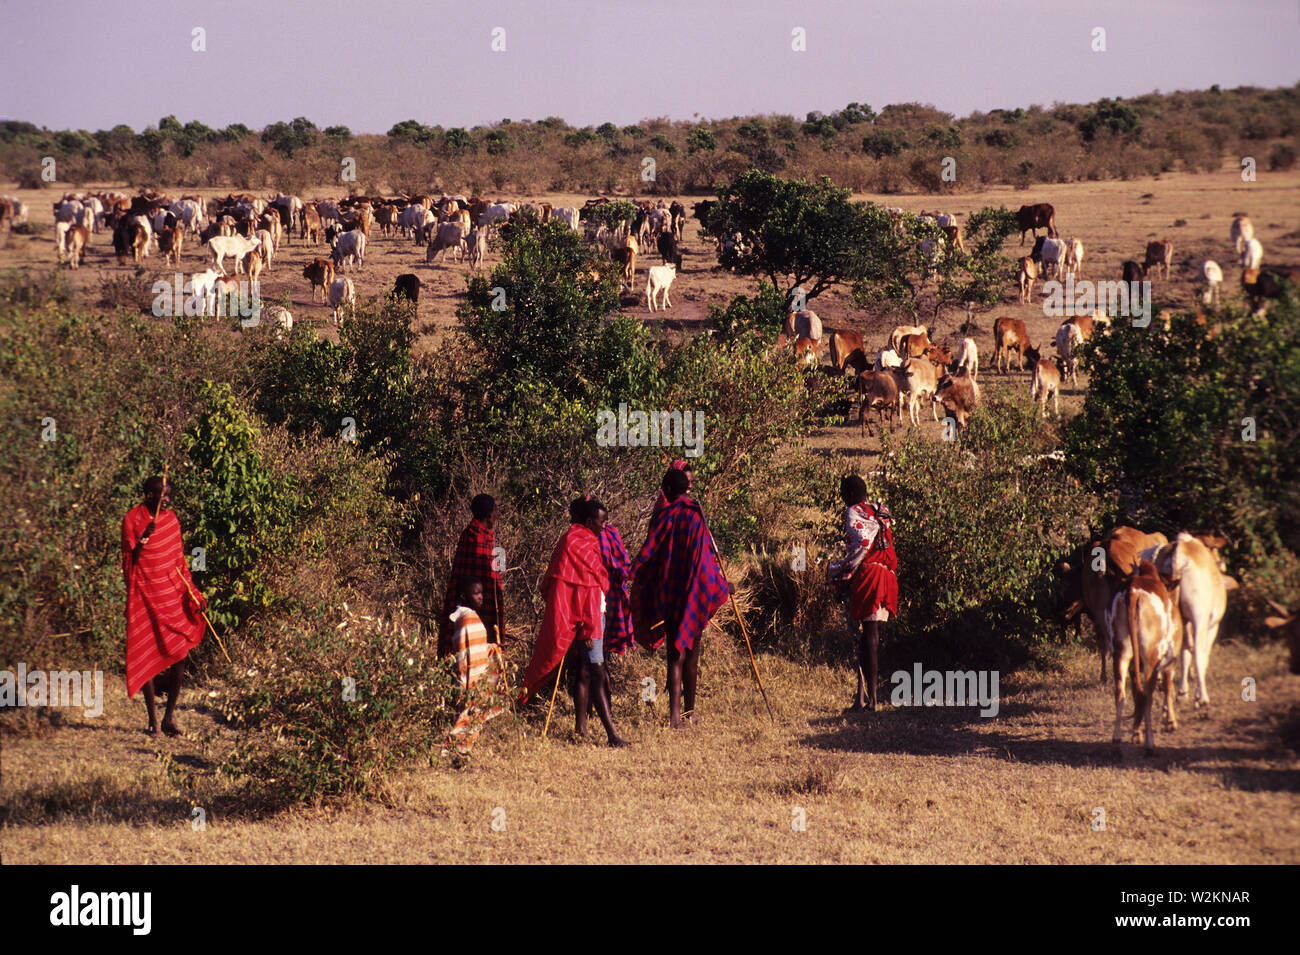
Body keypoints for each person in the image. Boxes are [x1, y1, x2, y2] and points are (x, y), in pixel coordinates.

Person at [520, 498, 627, 746]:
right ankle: (611, 735)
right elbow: (571, 586)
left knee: (582, 670)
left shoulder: (583, 540)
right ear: (589, 521)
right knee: (597, 671)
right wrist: (585, 624)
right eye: (601, 522)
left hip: (592, 613)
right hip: (584, 616)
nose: (604, 526)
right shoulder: (573, 541)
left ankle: (581, 729)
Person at [630, 469, 730, 728]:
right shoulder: (697, 515)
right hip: (695, 591)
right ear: (686, 488)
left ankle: (675, 716)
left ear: (668, 489)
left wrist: (630, 572)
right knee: (693, 653)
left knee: (675, 654)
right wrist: (719, 584)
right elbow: (707, 556)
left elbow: (649, 550)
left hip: (671, 591)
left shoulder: (667, 515)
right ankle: (689, 712)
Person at [121, 475, 206, 737]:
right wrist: (144, 539)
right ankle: (153, 722)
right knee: (147, 655)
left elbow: (179, 563)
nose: (167, 499)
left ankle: (169, 717)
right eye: (162, 494)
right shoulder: (132, 520)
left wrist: (193, 593)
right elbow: (129, 563)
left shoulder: (171, 520)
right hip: (145, 596)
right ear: (148, 494)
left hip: (171, 595)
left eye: (170, 494)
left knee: (180, 656)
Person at [827, 476, 898, 712]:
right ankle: (862, 699)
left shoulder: (853, 512)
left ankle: (873, 701)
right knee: (867, 638)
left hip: (869, 576)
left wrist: (841, 570)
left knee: (869, 637)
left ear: (846, 494)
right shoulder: (879, 509)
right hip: (887, 576)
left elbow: (862, 545)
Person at [444, 577, 506, 756]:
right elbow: (465, 650)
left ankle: (461, 747)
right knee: (469, 710)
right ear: (464, 595)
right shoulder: (467, 618)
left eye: (482, 593)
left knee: (471, 711)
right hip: (469, 674)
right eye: (476, 593)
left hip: (475, 673)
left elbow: (476, 647)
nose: (481, 597)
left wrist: (492, 648)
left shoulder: (468, 615)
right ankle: (456, 747)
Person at [440, 494, 505, 657]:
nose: (496, 516)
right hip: (475, 609)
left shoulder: (469, 535)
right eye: (496, 512)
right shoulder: (478, 539)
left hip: (466, 606)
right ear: (490, 515)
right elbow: (493, 583)